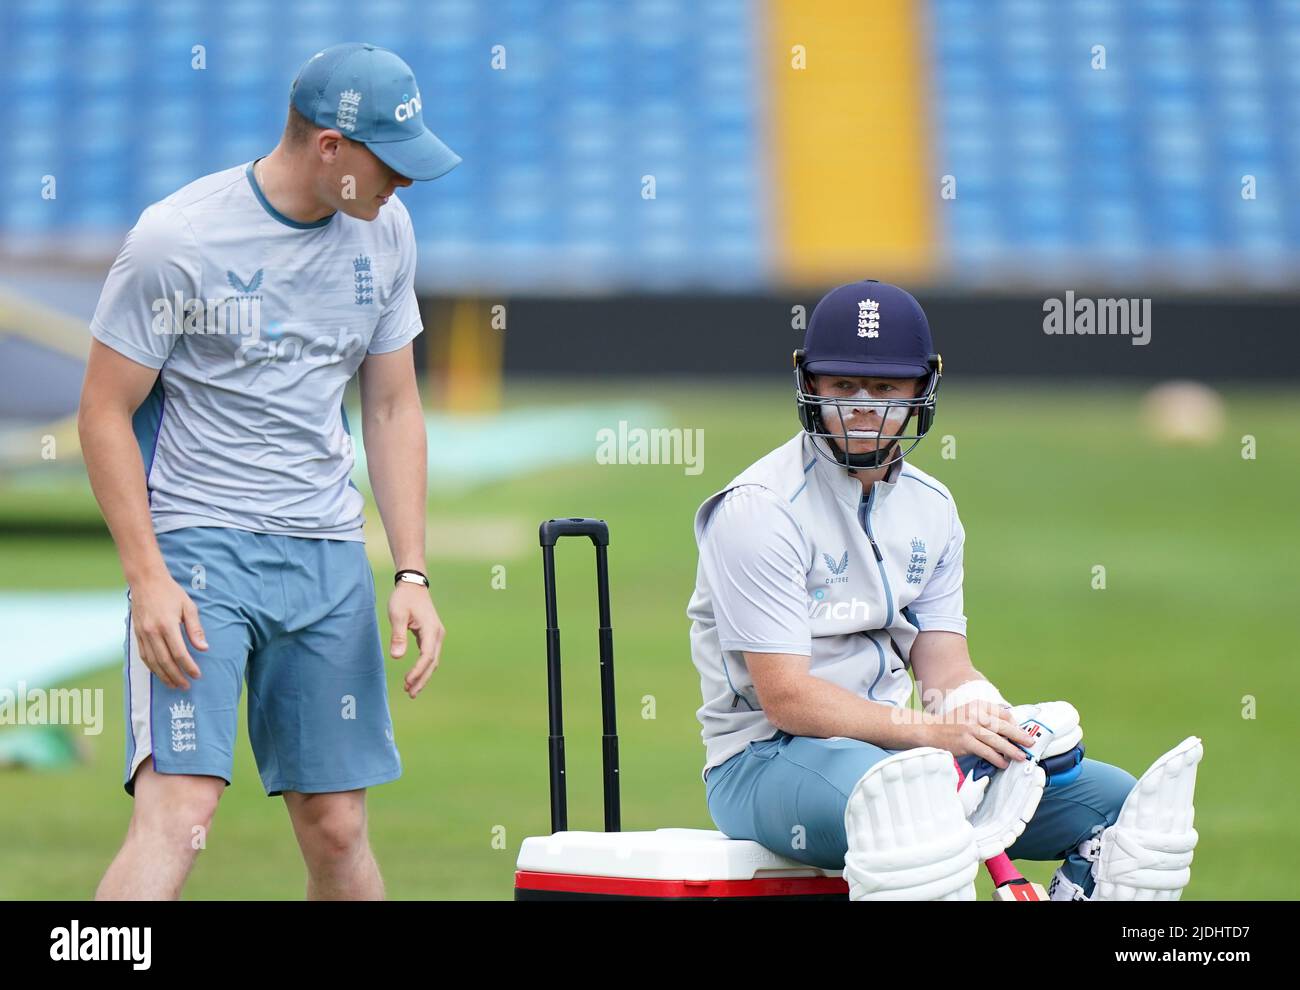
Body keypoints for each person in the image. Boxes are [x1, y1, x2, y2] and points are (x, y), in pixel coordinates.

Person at [78, 43, 459, 900]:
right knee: (180, 814)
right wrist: (147, 578)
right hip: (197, 552)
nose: (404, 185)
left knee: (337, 827)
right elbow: (102, 411)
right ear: (330, 147)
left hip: (326, 557)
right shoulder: (177, 238)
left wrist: (411, 571)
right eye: (389, 165)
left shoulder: (387, 231)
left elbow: (393, 408)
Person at [687, 279, 1202, 900]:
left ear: (920, 390)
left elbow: (942, 664)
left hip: (904, 753)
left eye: (884, 389)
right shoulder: (759, 511)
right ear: (810, 383)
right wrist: (937, 739)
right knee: (911, 814)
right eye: (843, 385)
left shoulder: (932, 506)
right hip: (764, 762)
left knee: (1127, 813)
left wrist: (989, 725)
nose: (862, 407)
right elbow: (787, 700)